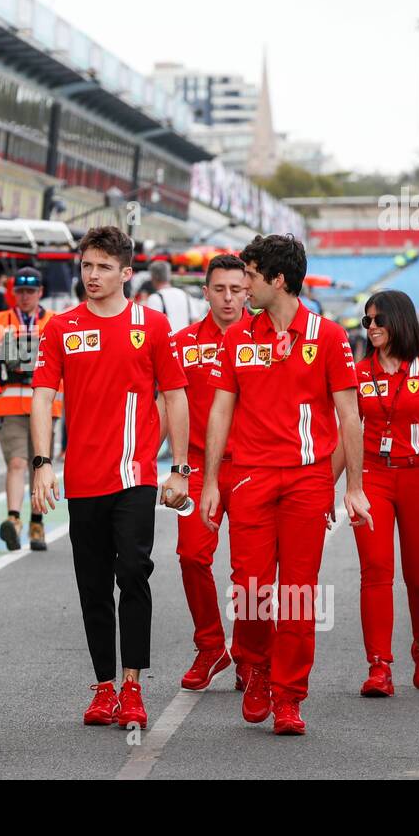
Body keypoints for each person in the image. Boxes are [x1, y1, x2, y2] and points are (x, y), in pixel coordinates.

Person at [201, 233, 371, 736]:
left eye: (250, 276)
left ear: (277, 279)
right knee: (250, 584)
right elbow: (220, 411)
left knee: (297, 591)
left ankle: (289, 695)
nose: (243, 286)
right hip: (249, 478)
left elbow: (349, 416)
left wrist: (354, 487)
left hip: (306, 480)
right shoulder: (237, 338)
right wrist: (210, 481)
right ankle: (252, 664)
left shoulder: (330, 336)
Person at [31, 226, 190, 730]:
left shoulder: (154, 325)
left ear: (126, 273)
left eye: (103, 267)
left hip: (136, 476)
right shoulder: (59, 328)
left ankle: (133, 685)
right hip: (82, 478)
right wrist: (41, 463)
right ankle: (103, 687)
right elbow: (41, 396)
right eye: (86, 266)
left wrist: (180, 469)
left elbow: (175, 396)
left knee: (134, 573)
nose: (92, 275)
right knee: (93, 585)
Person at [335, 290, 419, 697]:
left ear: (399, 320)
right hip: (372, 478)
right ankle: (379, 665)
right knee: (375, 570)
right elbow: (345, 435)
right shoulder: (357, 370)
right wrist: (325, 490)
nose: (370, 328)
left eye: (377, 320)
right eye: (366, 321)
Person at [156, 253, 251, 691]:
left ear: (249, 290)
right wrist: (142, 462)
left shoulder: (269, 342)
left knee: (250, 572)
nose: (228, 298)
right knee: (191, 556)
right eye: (220, 289)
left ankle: (252, 655)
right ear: (205, 292)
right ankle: (211, 645)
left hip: (253, 467)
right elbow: (164, 406)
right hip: (195, 468)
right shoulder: (180, 343)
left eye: (237, 289)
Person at [0, 266, 59, 551]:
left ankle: (37, 524)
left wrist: (19, 356)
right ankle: (14, 519)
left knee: (39, 465)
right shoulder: (1, 320)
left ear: (40, 293)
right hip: (11, 403)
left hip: (46, 406)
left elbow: (52, 362)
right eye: (20, 291)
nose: (25, 296)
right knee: (17, 462)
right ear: (13, 293)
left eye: (30, 291)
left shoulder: (55, 322)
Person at [143, 259, 194, 331]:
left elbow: (152, 327)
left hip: (167, 341)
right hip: (185, 340)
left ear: (153, 277)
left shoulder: (154, 298)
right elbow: (195, 321)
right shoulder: (184, 294)